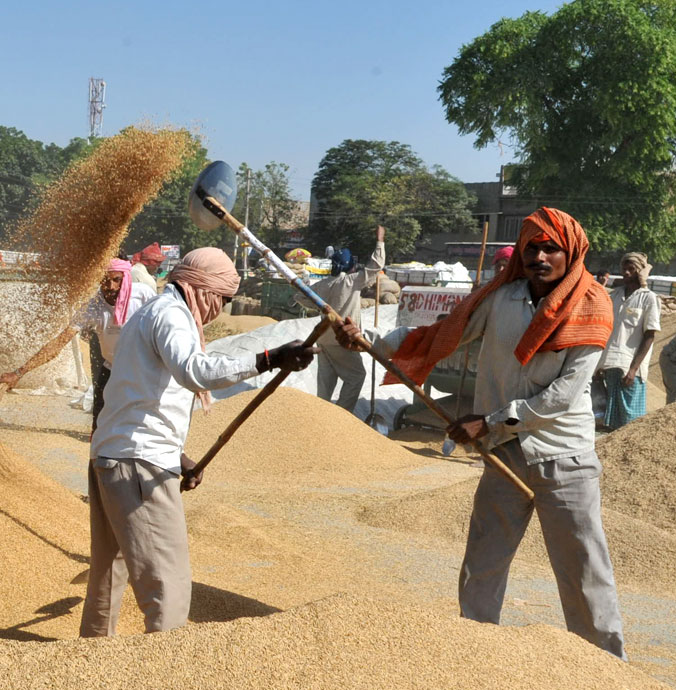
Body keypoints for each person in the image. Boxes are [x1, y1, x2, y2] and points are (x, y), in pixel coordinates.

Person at [342, 206, 626, 659]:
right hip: (505, 453)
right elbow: (441, 335)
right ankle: (475, 655)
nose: (540, 256)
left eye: (551, 248)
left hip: (563, 457)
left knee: (584, 570)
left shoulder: (592, 304)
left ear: (570, 253)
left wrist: (488, 421)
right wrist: (371, 339)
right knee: (483, 563)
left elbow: (563, 396)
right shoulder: (502, 298)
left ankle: (607, 668)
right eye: (532, 247)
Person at [82, 248, 318, 637]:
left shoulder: (151, 312)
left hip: (115, 458)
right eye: (222, 299)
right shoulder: (171, 315)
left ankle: (88, 661)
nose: (221, 310)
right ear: (203, 289)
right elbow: (196, 371)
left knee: (109, 575)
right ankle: (167, 670)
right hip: (138, 464)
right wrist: (269, 357)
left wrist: (179, 457)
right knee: (168, 588)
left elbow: (136, 398)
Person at [0, 259, 157, 428]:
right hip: (111, 370)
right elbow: (59, 343)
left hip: (141, 370)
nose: (110, 287)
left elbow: (160, 325)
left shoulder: (143, 295)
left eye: (116, 280)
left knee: (142, 421)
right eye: (105, 280)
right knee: (100, 422)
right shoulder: (93, 306)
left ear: (126, 279)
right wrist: (19, 373)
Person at [296, 227, 385, 412]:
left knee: (325, 385)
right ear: (350, 265)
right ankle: (342, 416)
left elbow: (302, 297)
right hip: (344, 340)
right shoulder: (352, 281)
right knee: (356, 377)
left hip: (323, 339)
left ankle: (321, 417)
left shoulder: (322, 284)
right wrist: (380, 241)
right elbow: (376, 265)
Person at [598, 252, 661, 431]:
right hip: (610, 365)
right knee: (609, 421)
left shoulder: (648, 298)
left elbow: (650, 335)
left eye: (631, 269)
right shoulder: (614, 296)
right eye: (624, 269)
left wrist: (633, 369)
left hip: (631, 369)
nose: (626, 273)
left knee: (631, 422)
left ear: (639, 271)